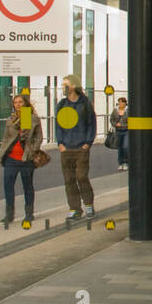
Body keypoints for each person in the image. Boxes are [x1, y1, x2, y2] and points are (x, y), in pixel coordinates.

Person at [0, 93, 44, 223]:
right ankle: (9, 214)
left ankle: (29, 213)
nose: (18, 104)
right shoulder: (11, 119)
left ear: (25, 104)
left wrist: (33, 150)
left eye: (20, 102)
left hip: (26, 158)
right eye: (16, 102)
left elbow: (38, 137)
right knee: (8, 185)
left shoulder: (31, 118)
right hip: (11, 158)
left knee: (27, 185)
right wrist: (2, 154)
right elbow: (6, 138)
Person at [56, 74, 97, 219]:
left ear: (73, 86)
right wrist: (60, 143)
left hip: (81, 147)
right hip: (66, 147)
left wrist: (87, 142)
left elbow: (91, 123)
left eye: (65, 85)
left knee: (81, 176)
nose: (63, 88)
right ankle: (74, 208)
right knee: (69, 179)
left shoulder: (85, 103)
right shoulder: (61, 104)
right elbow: (58, 125)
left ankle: (88, 205)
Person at [112, 97, 130, 170]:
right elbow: (111, 119)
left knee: (125, 147)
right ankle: (120, 163)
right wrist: (115, 124)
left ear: (125, 103)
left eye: (122, 102)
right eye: (119, 102)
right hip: (118, 131)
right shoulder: (115, 110)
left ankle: (126, 162)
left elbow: (131, 121)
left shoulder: (128, 110)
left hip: (126, 131)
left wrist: (123, 125)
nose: (120, 104)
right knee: (119, 148)